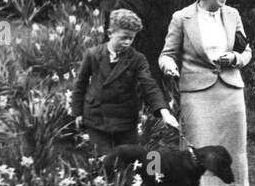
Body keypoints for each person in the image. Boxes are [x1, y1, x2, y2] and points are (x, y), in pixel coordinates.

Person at [159, 0, 252, 186]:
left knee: (235, 155)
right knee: (192, 157)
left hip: (231, 92)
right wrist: (170, 67)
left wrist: (235, 60)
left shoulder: (233, 15)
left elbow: (246, 50)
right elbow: (166, 54)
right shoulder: (182, 18)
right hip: (197, 94)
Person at [72, 8, 178, 154]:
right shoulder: (92, 55)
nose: (128, 42)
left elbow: (149, 86)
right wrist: (77, 113)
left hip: (125, 121)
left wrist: (165, 113)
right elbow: (80, 84)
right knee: (104, 161)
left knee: (127, 162)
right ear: (110, 34)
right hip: (96, 118)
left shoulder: (137, 59)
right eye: (123, 37)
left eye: (131, 38)